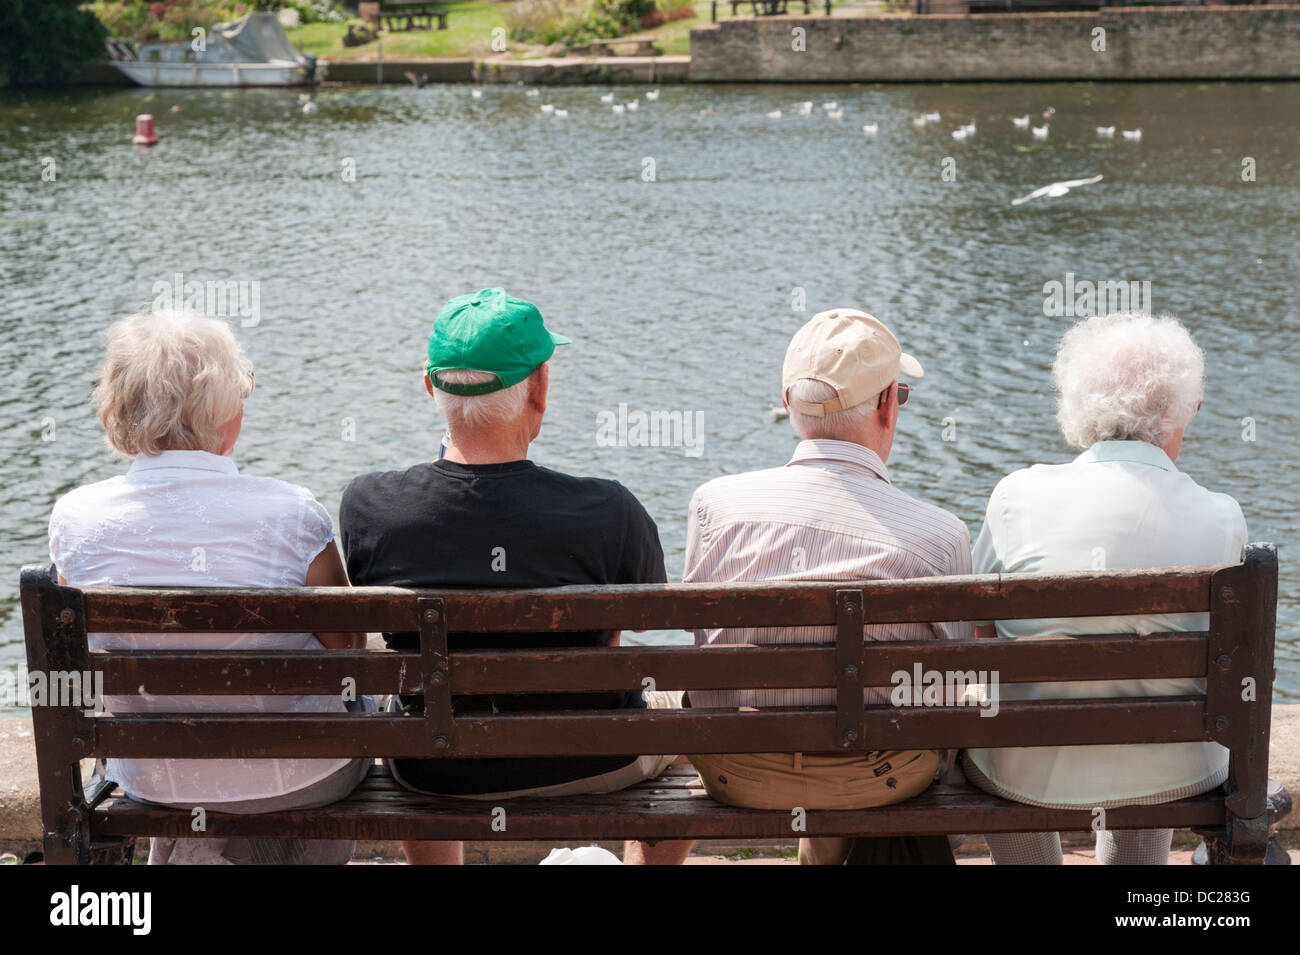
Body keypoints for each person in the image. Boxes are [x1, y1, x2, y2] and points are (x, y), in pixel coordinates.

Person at [339, 288, 690, 866]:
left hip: (432, 771)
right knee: (690, 714)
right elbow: (642, 622)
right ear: (540, 389)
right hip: (595, 761)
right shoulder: (611, 511)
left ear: (430, 386)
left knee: (421, 713)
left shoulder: (370, 506)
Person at [48, 309, 370, 866]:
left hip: (154, 778)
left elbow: (76, 659)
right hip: (303, 774)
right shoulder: (293, 514)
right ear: (227, 414)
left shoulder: (75, 520)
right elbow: (349, 651)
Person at [682, 308, 974, 865]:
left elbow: (703, 644)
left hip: (736, 770)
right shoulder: (940, 537)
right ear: (889, 404)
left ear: (788, 403)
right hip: (884, 777)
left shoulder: (713, 506)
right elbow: (948, 692)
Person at [964, 311, 1244, 865]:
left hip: (1028, 768)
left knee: (997, 737)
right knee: (1146, 745)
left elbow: (977, 639)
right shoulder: (1221, 518)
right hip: (1176, 770)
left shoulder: (1015, 496)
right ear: (1179, 412)